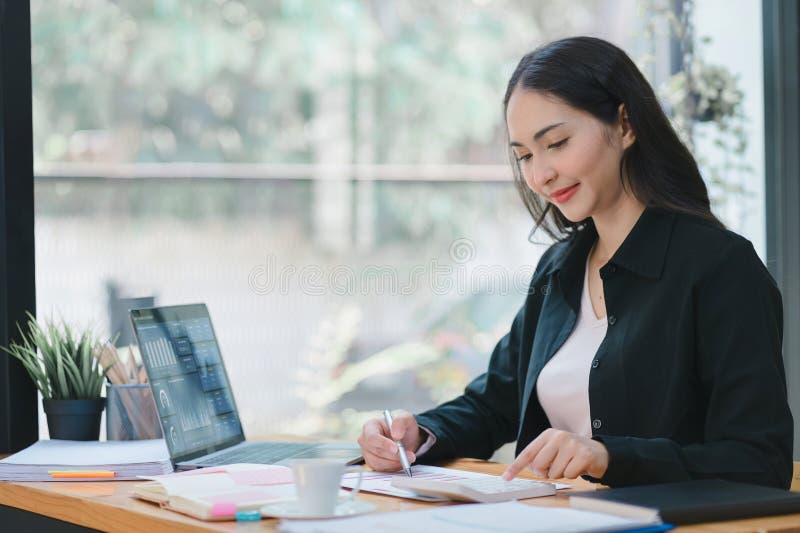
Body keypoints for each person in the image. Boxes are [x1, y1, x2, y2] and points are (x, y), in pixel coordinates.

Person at [357, 36, 793, 488]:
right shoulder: (559, 268)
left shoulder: (721, 268)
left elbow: (757, 461)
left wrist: (606, 457)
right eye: (524, 155)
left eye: (557, 143)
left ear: (625, 125)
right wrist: (417, 434)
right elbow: (495, 404)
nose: (539, 174)